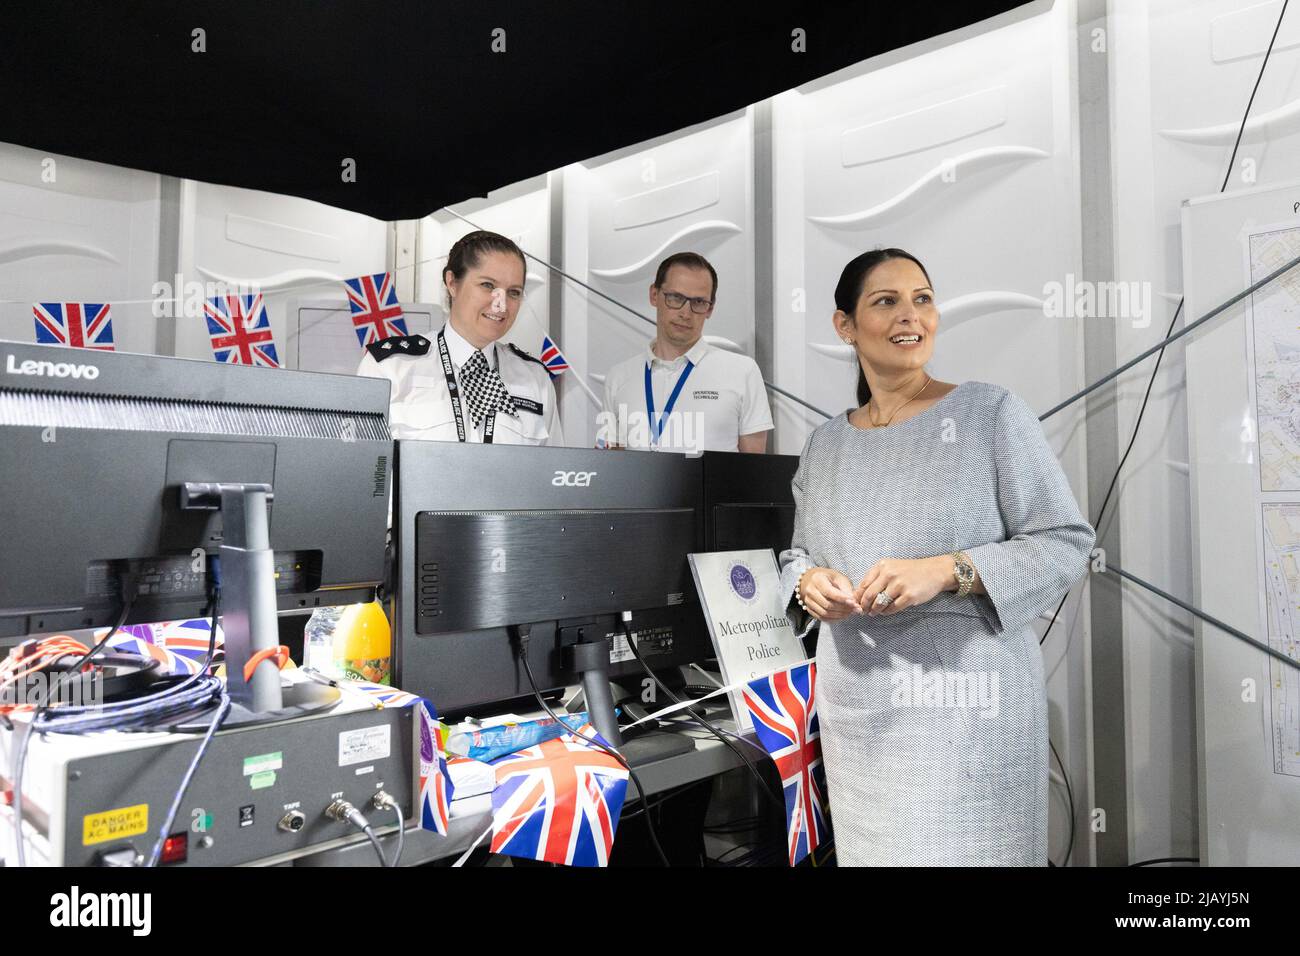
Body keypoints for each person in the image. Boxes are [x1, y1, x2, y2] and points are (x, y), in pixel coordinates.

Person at [778, 248, 1095, 866]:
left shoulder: (991, 414)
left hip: (970, 718)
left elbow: (1065, 541)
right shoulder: (825, 445)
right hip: (860, 718)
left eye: (922, 298)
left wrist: (949, 570)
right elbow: (799, 554)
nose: (911, 315)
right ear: (845, 325)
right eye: (887, 301)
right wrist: (809, 580)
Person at [357, 230, 563, 446]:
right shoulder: (389, 368)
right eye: (488, 285)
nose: (501, 304)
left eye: (513, 292)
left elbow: (554, 474)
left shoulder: (535, 379)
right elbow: (360, 469)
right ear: (452, 283)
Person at [599, 252, 772, 453]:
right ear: (654, 295)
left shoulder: (743, 372)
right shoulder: (619, 377)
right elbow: (609, 469)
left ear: (710, 309)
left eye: (698, 302)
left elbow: (753, 473)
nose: (685, 312)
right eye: (675, 297)